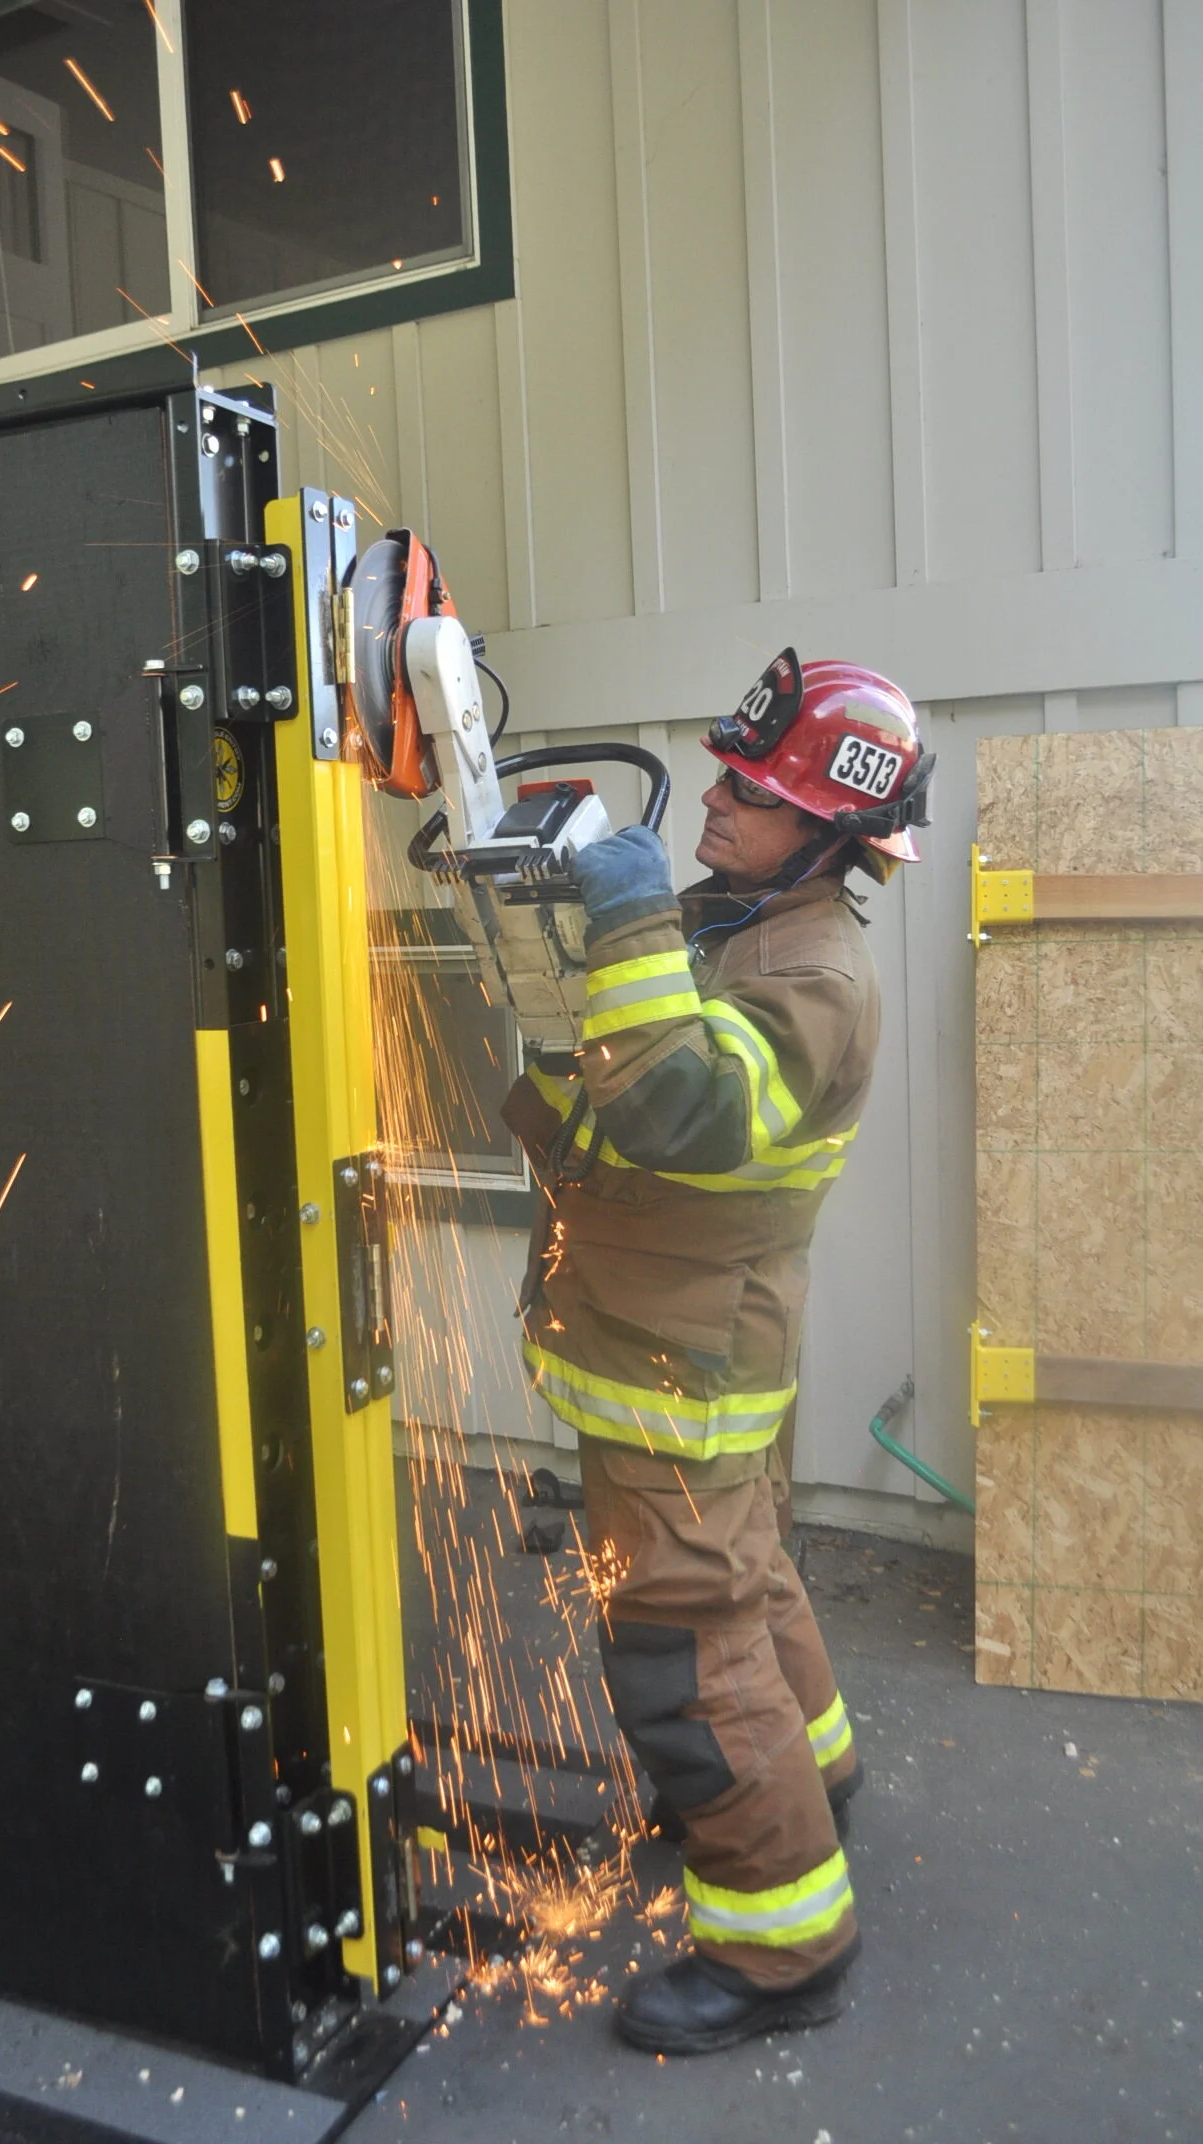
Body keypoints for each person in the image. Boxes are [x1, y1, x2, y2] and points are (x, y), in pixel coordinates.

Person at [502, 650, 933, 2056]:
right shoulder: (738, 923)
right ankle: (813, 1782)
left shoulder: (811, 973)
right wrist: (578, 948)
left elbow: (680, 1109)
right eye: (728, 775)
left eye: (754, 791)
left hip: (682, 1368)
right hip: (672, 1340)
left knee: (684, 1646)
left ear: (832, 832)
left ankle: (780, 1944)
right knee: (745, 1582)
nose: (715, 801)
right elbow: (619, 1071)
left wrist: (628, 920)